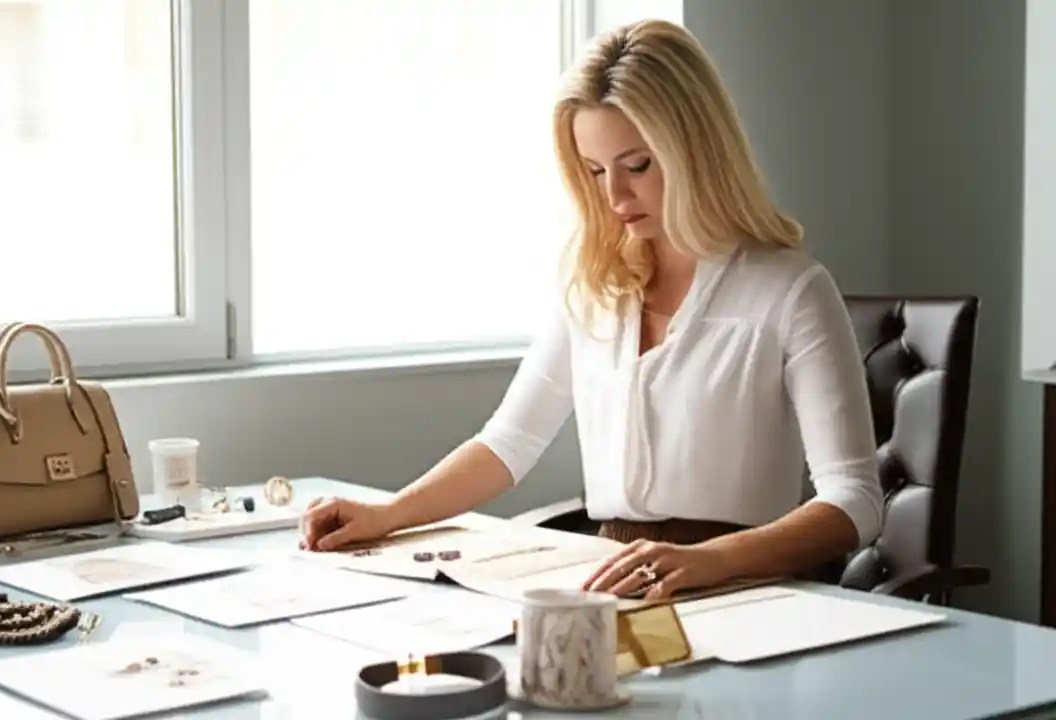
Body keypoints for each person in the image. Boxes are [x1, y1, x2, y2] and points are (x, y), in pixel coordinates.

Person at [298, 19, 883, 600]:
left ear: (697, 150)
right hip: (610, 583)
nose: (614, 197)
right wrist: (389, 514)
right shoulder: (593, 284)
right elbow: (508, 443)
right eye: (595, 170)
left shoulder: (791, 289)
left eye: (637, 166)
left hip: (748, 587)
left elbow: (853, 499)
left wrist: (710, 561)